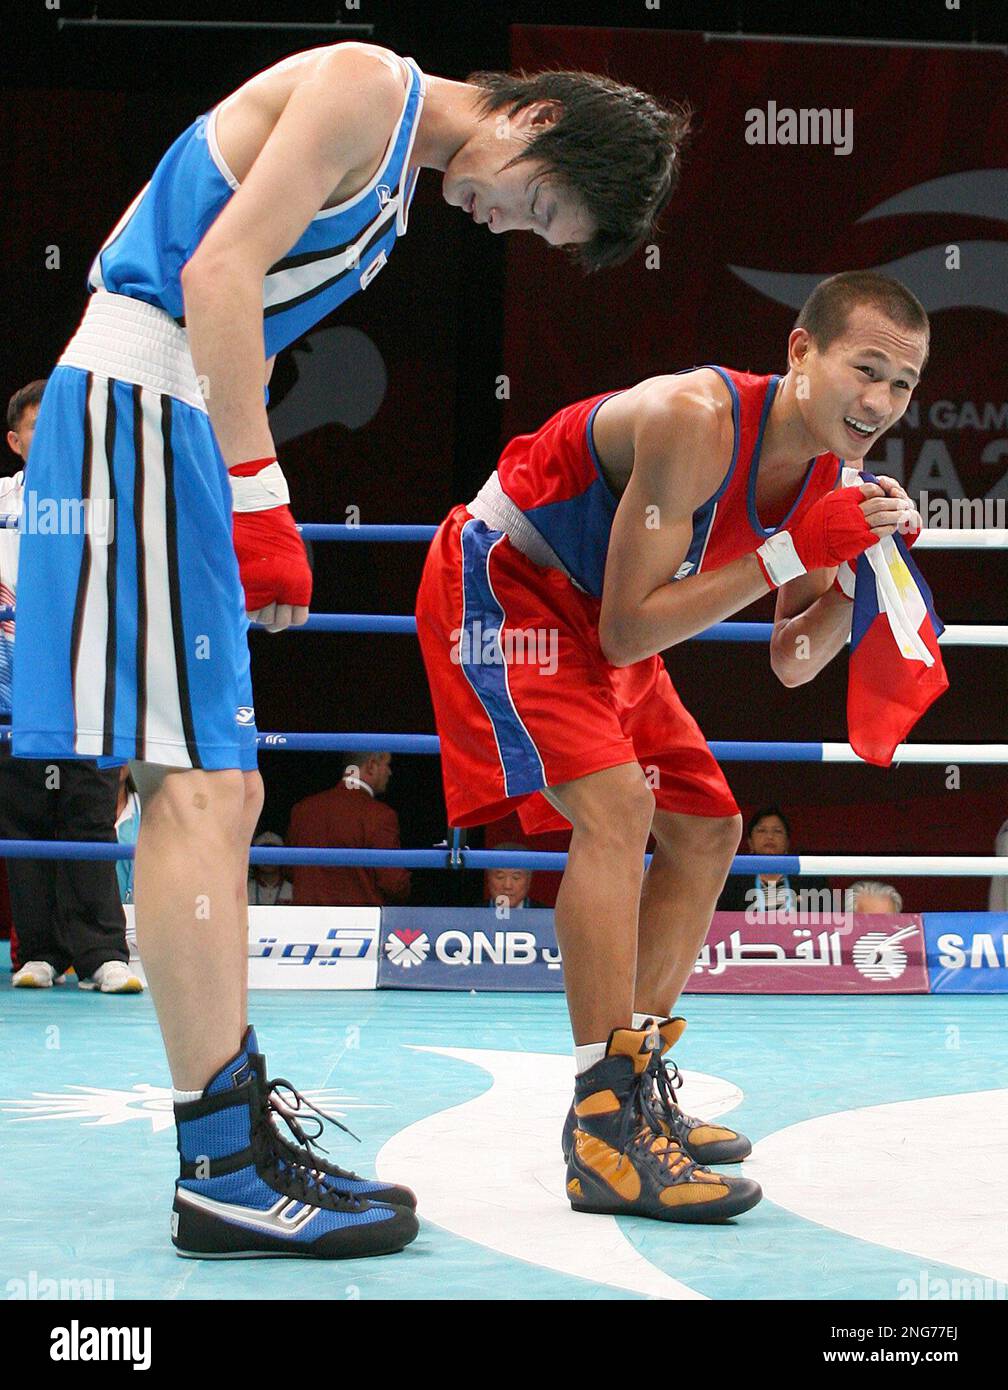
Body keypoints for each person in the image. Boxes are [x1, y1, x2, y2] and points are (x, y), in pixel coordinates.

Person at [10, 40, 688, 1258]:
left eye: (533, 229)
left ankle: (228, 1140)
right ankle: (220, 1164)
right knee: (197, 788)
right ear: (533, 116)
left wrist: (240, 484)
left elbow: (240, 317)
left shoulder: (389, 206)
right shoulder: (370, 87)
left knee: (219, 788)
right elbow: (213, 273)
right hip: (138, 406)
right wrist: (261, 492)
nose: (503, 221)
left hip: (165, 425)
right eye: (534, 199)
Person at [417, 270, 927, 1224]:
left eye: (902, 386)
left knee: (707, 827)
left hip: (613, 613)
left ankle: (638, 1080)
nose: (880, 403)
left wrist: (858, 579)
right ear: (801, 353)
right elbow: (621, 634)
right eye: (866, 370)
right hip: (514, 588)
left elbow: (789, 659)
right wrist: (783, 552)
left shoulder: (829, 474)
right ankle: (602, 1127)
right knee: (618, 812)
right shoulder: (697, 418)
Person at [2, 382, 141, 994]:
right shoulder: (0, 501)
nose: (49, 435)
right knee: (24, 816)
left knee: (88, 813)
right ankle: (39, 951)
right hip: (16, 686)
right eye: (36, 427)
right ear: (15, 441)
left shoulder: (105, 496)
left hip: (86, 680)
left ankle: (103, 953)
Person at [289, 752, 409, 907]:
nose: (389, 772)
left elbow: (290, 869)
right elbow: (393, 883)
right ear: (372, 765)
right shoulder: (379, 815)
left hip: (306, 919)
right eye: (387, 764)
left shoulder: (303, 809)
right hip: (360, 922)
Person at [716, 805, 831, 914]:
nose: (770, 837)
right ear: (750, 842)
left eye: (777, 831)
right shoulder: (731, 882)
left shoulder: (811, 881)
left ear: (787, 843)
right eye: (762, 831)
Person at [483, 843, 547, 910]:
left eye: (516, 878)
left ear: (528, 880)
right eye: (500, 877)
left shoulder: (546, 915)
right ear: (489, 879)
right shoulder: (474, 913)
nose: (507, 886)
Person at [247, 830, 293, 905]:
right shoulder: (246, 889)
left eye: (273, 854)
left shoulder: (292, 890)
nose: (268, 859)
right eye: (263, 854)